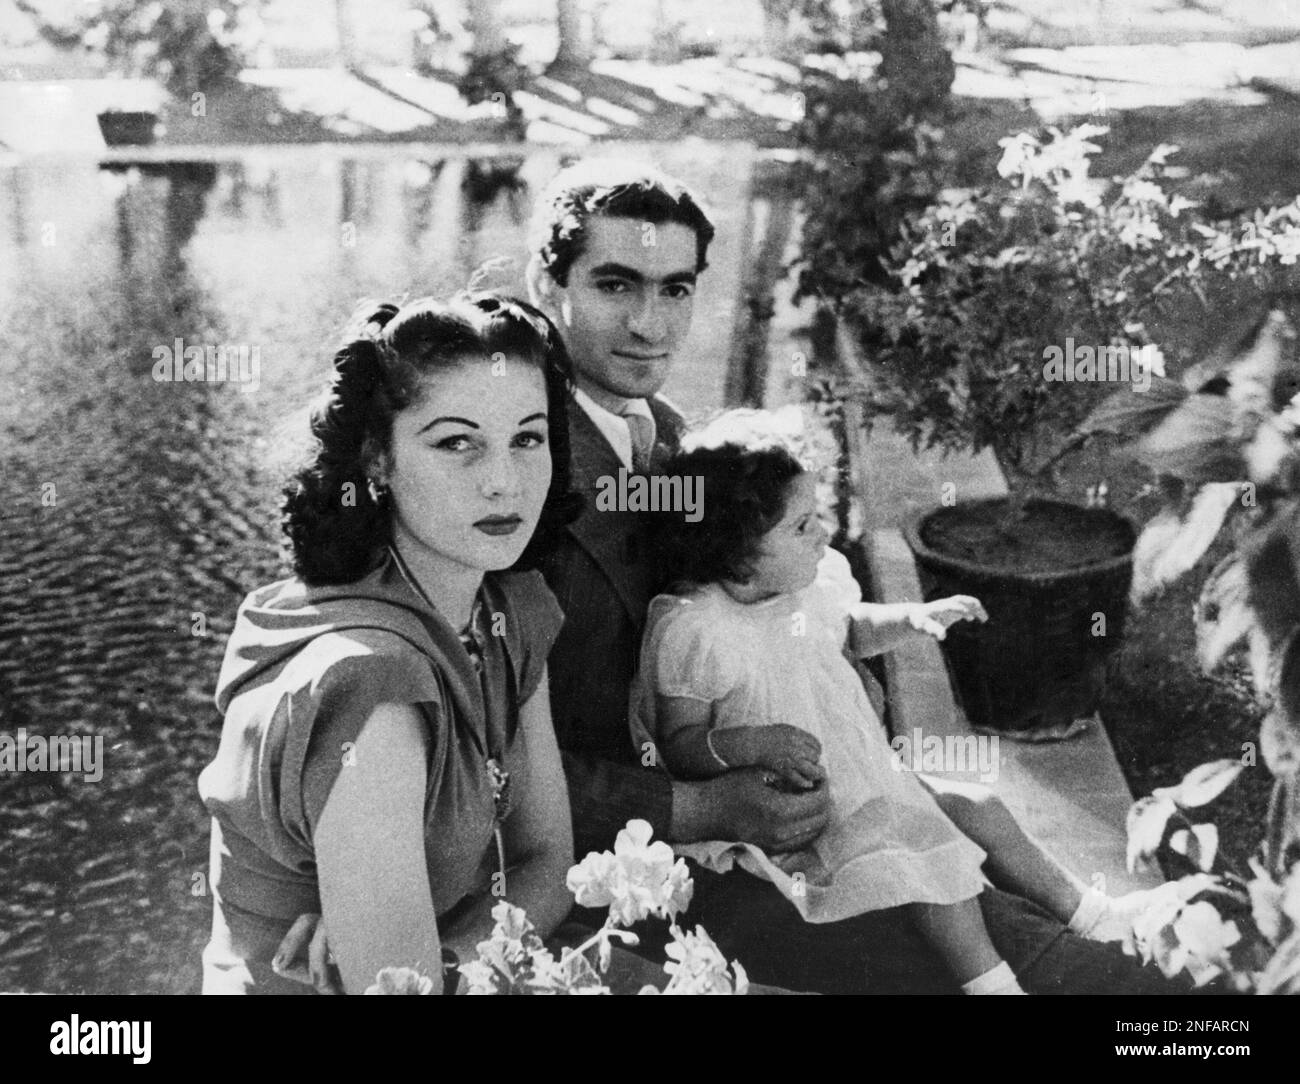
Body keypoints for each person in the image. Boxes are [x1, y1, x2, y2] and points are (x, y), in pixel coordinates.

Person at [275, 160, 1193, 994]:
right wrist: (362, 875)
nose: (649, 323)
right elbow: (460, 725)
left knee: (1023, 907)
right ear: (545, 285)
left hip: (800, 803)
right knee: (1046, 967)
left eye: (676, 289)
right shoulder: (507, 485)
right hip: (646, 871)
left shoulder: (677, 438)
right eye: (615, 286)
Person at [198, 293, 659, 994]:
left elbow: (547, 863)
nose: (504, 481)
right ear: (377, 459)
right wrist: (429, 954)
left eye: (527, 438)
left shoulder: (507, 609)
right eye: (456, 443)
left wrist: (444, 950)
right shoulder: (371, 684)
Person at [634, 409, 1175, 994]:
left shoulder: (804, 589)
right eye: (799, 526)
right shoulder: (699, 631)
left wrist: (916, 617)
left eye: (816, 516)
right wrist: (751, 744)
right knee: (919, 851)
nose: (821, 532)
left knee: (978, 804)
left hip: (864, 776)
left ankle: (1091, 912)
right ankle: (989, 981)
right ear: (735, 550)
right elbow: (681, 746)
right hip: (795, 816)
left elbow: (851, 628)